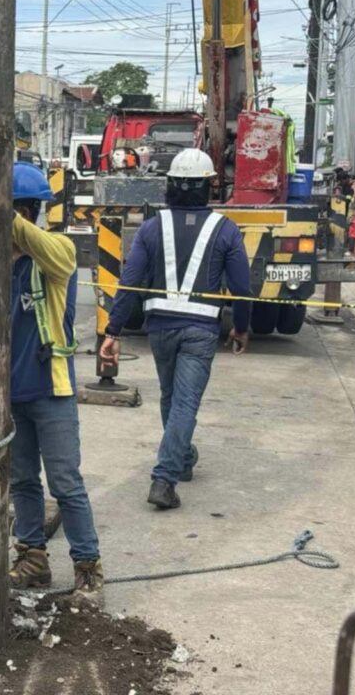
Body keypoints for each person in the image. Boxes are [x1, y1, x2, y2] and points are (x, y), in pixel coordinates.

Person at [100, 149, 251, 510]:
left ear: (170, 186)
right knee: (184, 402)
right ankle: (164, 479)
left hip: (161, 330)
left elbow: (130, 283)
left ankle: (181, 460)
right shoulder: (226, 229)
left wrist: (113, 330)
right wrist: (241, 328)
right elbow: (242, 288)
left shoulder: (152, 227)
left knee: (172, 397)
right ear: (209, 186)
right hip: (200, 330)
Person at [7, 162, 103, 604]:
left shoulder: (56, 255)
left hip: (51, 389)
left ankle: (87, 568)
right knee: (23, 480)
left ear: (27, 212)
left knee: (65, 483)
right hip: (11, 393)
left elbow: (34, 240)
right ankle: (32, 558)